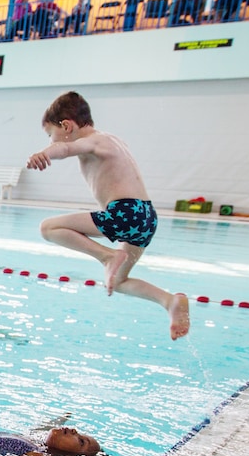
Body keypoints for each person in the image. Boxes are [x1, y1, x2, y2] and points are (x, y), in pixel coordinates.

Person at [26, 91, 191, 340]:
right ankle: (169, 301)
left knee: (48, 228)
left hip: (126, 212)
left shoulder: (94, 141)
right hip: (146, 217)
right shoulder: (112, 140)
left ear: (66, 125)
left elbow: (65, 148)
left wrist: (46, 153)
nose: (51, 141)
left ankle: (106, 256)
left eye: (50, 135)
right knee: (118, 281)